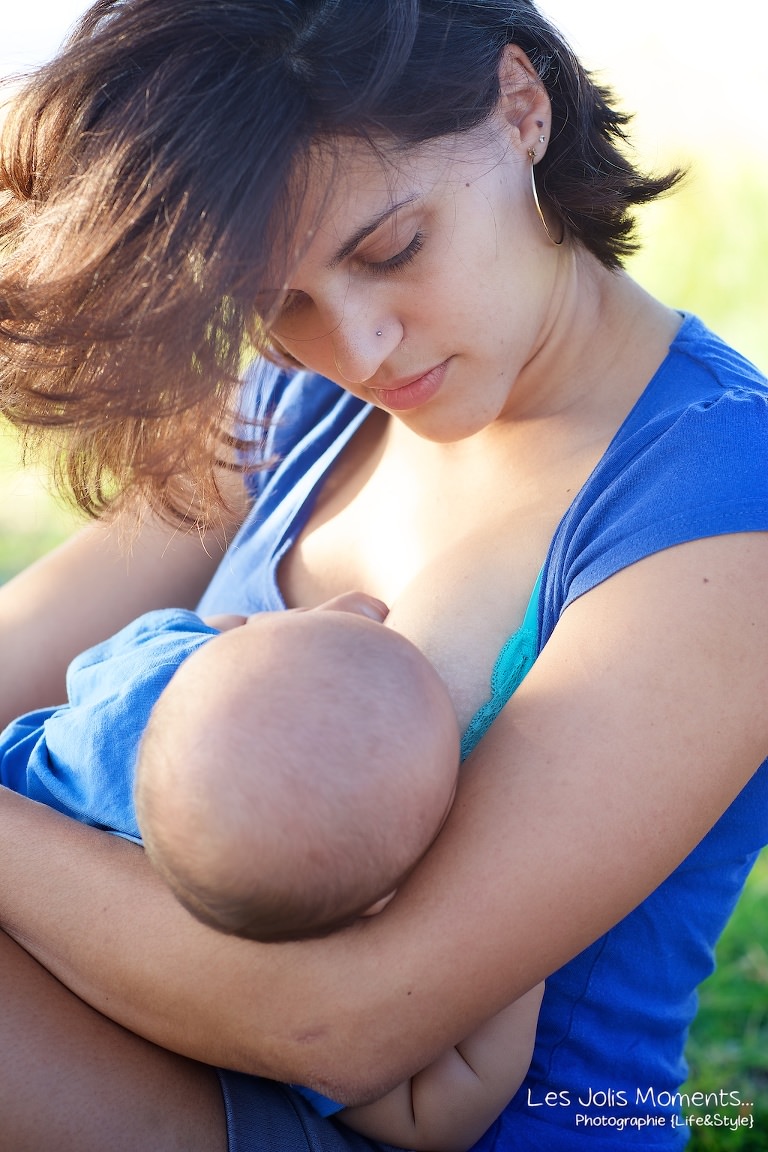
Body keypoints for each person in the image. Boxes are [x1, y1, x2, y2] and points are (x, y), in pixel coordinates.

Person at [0, 2, 767, 1151]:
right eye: (275, 303)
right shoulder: (303, 403)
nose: (358, 347)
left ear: (521, 107)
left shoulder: (721, 506)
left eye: (391, 248)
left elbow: (351, 1028)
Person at [0, 594, 543, 1150]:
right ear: (381, 900)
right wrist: (524, 935)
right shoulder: (278, 993)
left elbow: (209, 640)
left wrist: (295, 634)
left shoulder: (148, 668)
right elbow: (436, 1115)